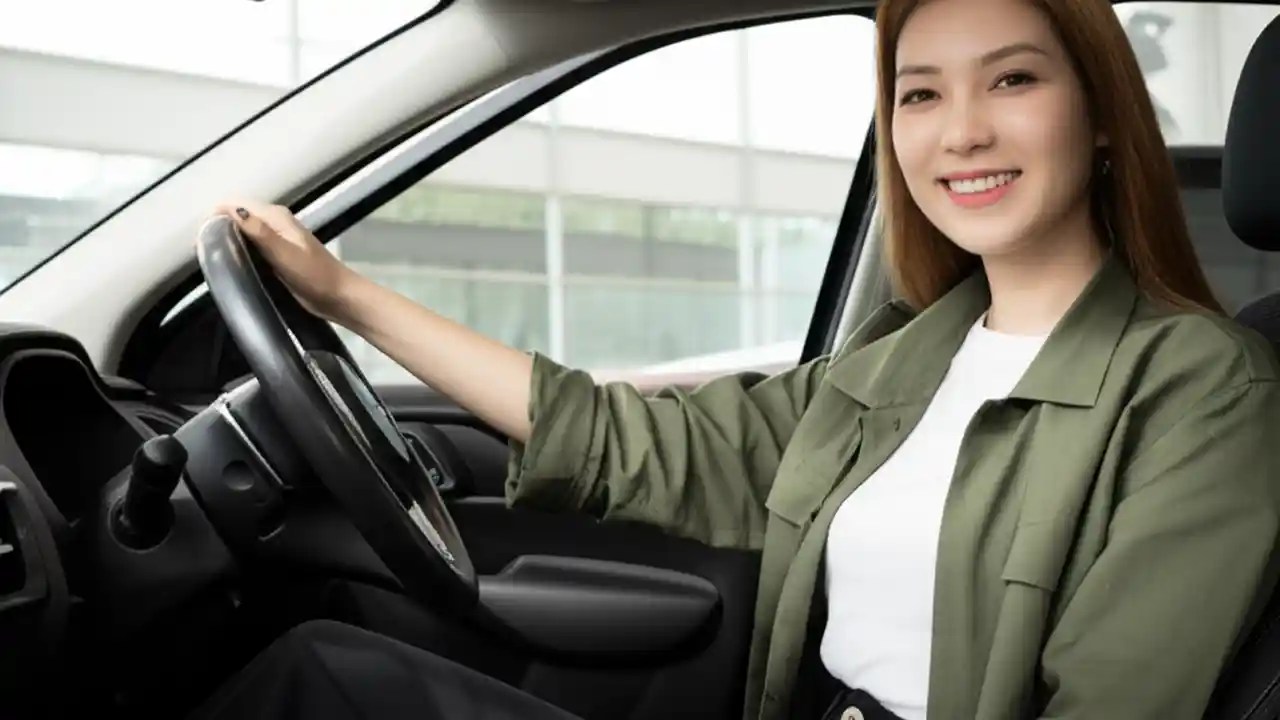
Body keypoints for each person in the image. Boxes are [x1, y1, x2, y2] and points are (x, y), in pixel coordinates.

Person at [192, 0, 1280, 718]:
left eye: (1010, 82)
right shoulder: (902, 359)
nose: (959, 133)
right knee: (322, 672)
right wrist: (342, 294)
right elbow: (627, 442)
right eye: (919, 92)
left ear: (1097, 118)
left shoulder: (1202, 392)